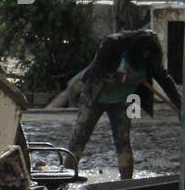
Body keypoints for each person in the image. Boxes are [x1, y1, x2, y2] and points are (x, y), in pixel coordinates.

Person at [68, 29, 182, 181]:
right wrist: (124, 78)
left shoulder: (151, 56)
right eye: (144, 53)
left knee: (123, 141)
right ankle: (65, 177)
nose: (146, 56)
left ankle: (126, 182)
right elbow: (97, 71)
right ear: (136, 48)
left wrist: (180, 105)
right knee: (80, 136)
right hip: (95, 96)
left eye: (149, 53)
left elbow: (163, 77)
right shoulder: (113, 44)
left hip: (122, 101)